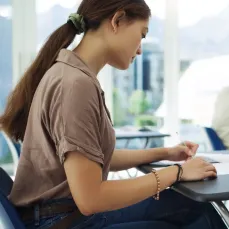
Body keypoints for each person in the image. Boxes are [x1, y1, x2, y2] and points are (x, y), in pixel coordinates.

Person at [0, 0, 226, 228]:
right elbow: (91, 198)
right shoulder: (75, 85)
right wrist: (177, 173)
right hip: (65, 220)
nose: (139, 49)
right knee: (197, 211)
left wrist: (166, 153)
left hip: (59, 214)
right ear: (117, 21)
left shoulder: (69, 74)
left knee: (187, 205)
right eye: (142, 34)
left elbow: (93, 160)